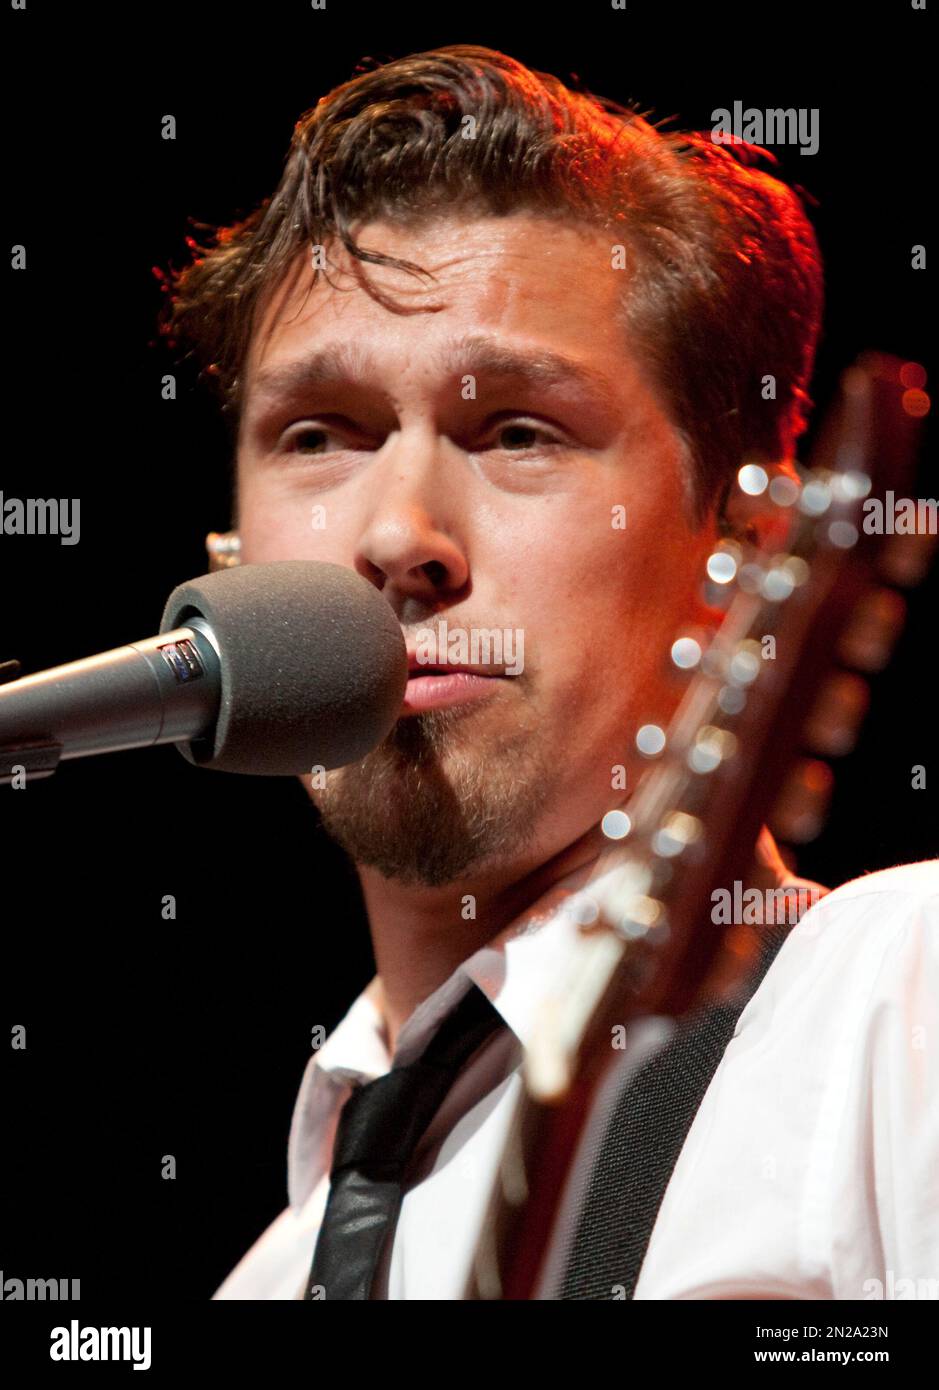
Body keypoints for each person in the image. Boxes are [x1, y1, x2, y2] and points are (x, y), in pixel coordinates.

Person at [162, 45, 939, 1299]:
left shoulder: (894, 1006)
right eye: (321, 436)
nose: (397, 534)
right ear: (231, 554)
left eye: (517, 430)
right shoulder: (263, 1278)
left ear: (742, 544)